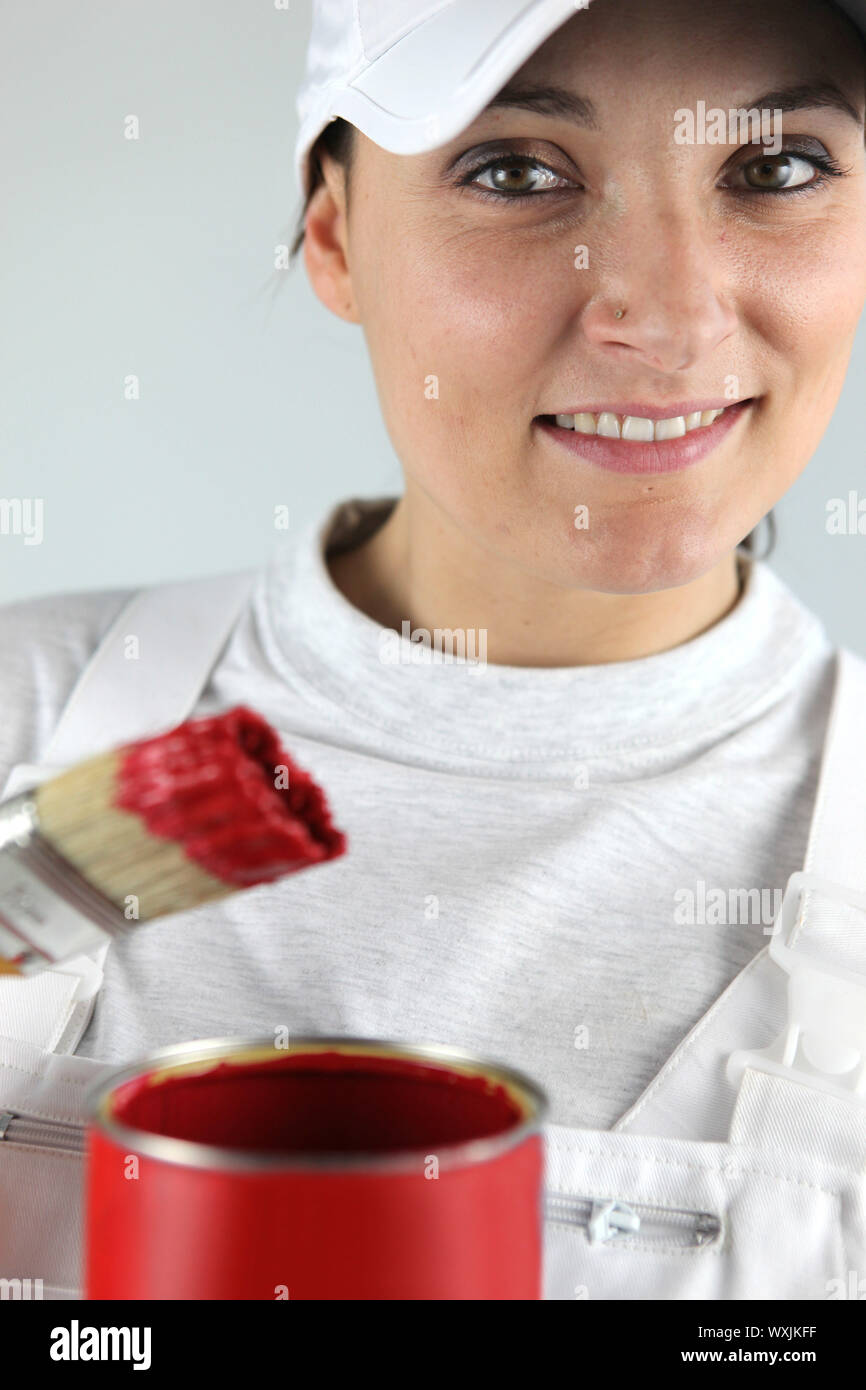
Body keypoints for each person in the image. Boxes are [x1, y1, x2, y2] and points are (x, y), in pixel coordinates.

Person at [1, 0, 865, 1300]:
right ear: (336, 237)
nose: (670, 322)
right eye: (516, 171)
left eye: (774, 168)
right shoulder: (26, 710)